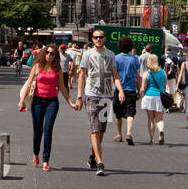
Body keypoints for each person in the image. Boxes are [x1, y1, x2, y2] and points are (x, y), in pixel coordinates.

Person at [75, 29, 123, 176]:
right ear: (92, 39)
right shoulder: (87, 54)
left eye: (100, 37)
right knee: (95, 128)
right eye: (95, 37)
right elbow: (82, 75)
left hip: (107, 95)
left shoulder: (110, 54)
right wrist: (79, 96)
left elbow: (114, 75)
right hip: (92, 95)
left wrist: (120, 90)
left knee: (101, 130)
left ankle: (92, 155)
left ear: (104, 39)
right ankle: (100, 162)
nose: (98, 39)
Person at [18, 46, 75, 170]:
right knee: (38, 131)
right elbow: (29, 82)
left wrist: (70, 102)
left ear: (55, 56)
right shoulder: (37, 66)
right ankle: (35, 153)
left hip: (52, 102)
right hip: (37, 100)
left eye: (52, 53)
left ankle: (45, 160)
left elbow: (63, 87)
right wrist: (22, 100)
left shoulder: (57, 68)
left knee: (48, 130)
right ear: (44, 54)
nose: (49, 55)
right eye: (47, 52)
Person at [112, 36, 142, 145]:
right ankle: (128, 133)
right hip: (131, 89)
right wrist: (139, 89)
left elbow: (113, 75)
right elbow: (138, 76)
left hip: (119, 89)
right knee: (130, 112)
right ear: (130, 47)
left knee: (118, 113)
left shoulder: (116, 58)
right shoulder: (134, 59)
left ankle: (119, 134)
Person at [138, 53, 168, 145]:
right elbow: (164, 86)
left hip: (149, 96)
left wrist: (139, 95)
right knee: (159, 119)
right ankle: (161, 131)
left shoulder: (146, 73)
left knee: (150, 119)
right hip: (159, 96)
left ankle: (152, 139)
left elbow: (143, 88)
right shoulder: (163, 72)